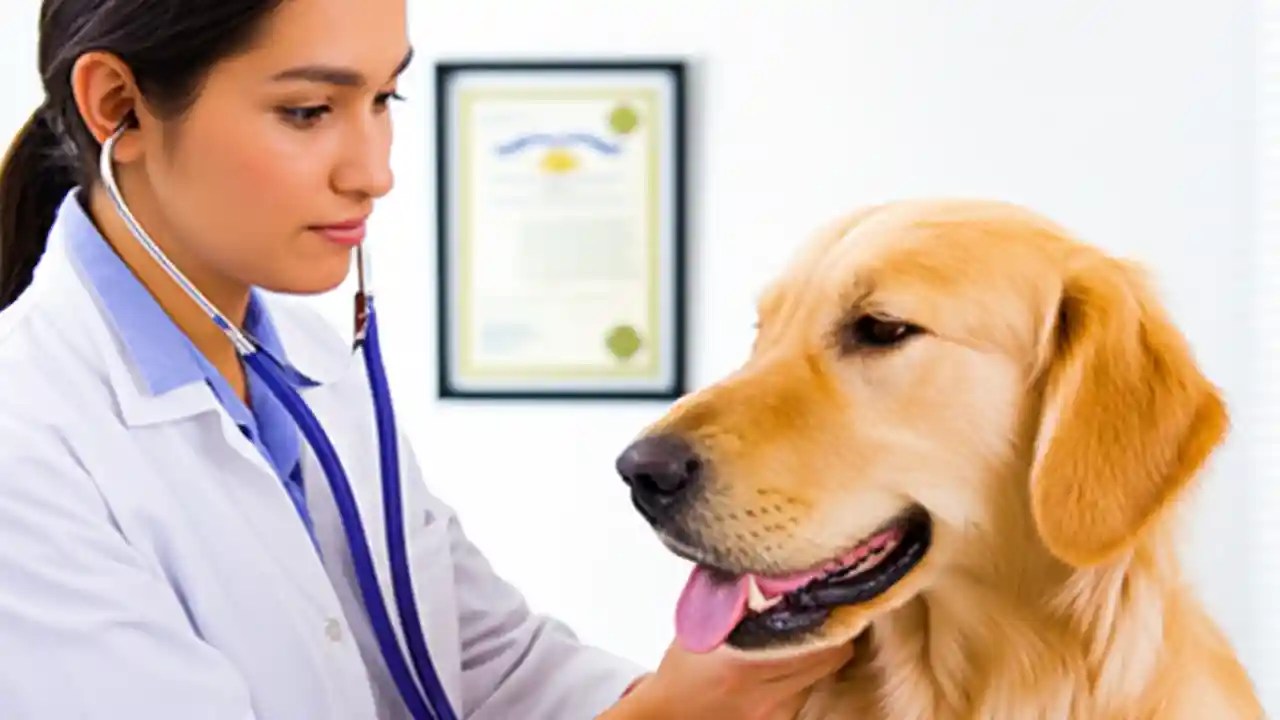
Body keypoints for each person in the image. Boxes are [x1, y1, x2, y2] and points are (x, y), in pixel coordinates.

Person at [0, 1, 854, 718]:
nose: (375, 173)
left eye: (384, 99)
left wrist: (705, 687)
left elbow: (488, 664)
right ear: (119, 105)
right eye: (309, 111)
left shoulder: (308, 369)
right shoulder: (28, 439)